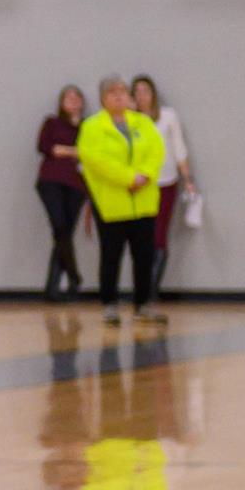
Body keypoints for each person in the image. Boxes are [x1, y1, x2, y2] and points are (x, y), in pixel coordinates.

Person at [77, 75, 167, 327]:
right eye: (112, 92)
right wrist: (128, 177)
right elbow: (96, 161)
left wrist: (146, 175)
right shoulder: (92, 126)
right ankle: (109, 305)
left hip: (143, 199)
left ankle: (143, 304)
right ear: (103, 98)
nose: (118, 96)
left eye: (122, 91)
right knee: (111, 255)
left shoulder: (143, 122)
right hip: (112, 202)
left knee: (144, 255)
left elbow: (156, 151)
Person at [132, 75, 195, 288]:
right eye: (137, 92)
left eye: (145, 91)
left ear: (153, 94)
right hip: (140, 183)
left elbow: (179, 148)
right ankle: (141, 285)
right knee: (141, 236)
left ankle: (150, 288)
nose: (142, 96)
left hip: (166, 182)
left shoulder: (168, 116)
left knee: (159, 234)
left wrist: (187, 178)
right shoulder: (131, 120)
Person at [35, 85, 90, 302]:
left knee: (63, 234)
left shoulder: (88, 126)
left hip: (77, 185)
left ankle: (53, 288)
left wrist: (65, 150)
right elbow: (44, 146)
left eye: (77, 96)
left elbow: (91, 152)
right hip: (51, 181)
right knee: (59, 227)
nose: (73, 100)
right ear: (61, 102)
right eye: (68, 96)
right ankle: (74, 276)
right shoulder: (52, 122)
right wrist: (74, 151)